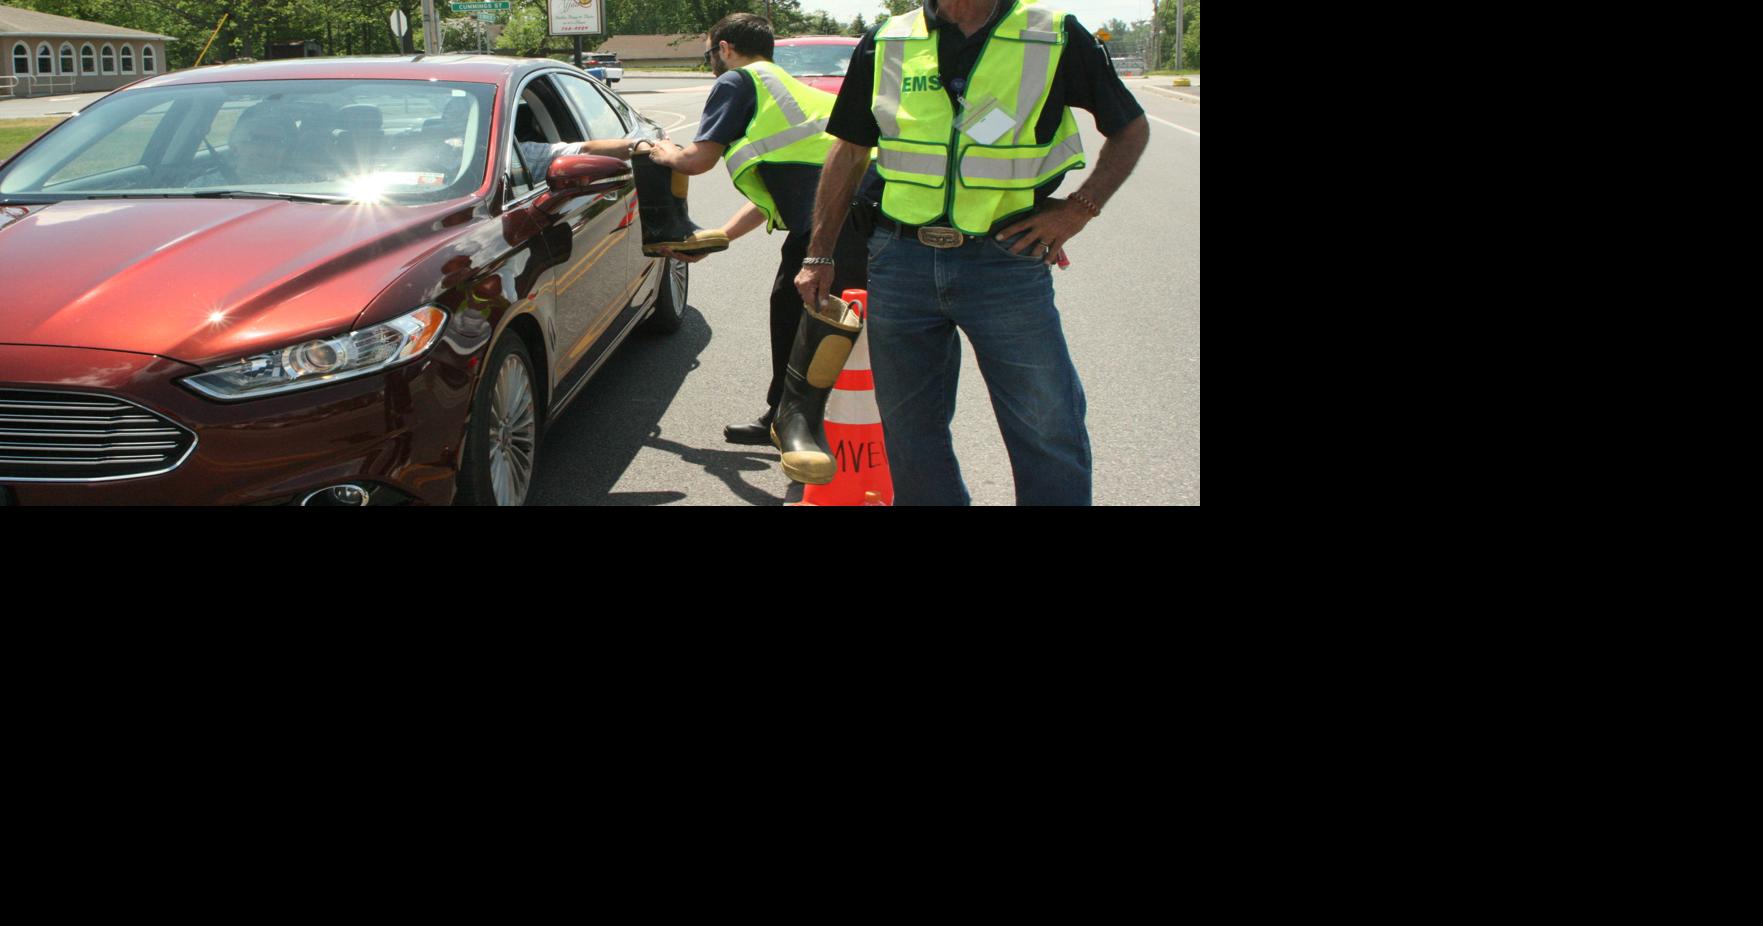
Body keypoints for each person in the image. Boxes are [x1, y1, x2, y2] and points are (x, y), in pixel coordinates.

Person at [794, 0, 1149, 505]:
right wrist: (819, 254)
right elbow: (849, 149)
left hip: (1005, 263)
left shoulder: (1052, 34)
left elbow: (1130, 127)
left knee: (1046, 426)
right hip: (901, 259)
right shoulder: (887, 39)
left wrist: (1078, 209)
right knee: (910, 431)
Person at [646, 12, 878, 457]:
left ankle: (824, 434)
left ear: (726, 48)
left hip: (845, 221)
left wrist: (663, 152)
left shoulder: (738, 82)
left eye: (711, 52)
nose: (712, 61)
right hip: (829, 219)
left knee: (827, 325)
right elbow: (777, 192)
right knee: (788, 309)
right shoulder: (780, 87)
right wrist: (722, 236)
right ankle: (781, 416)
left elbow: (696, 160)